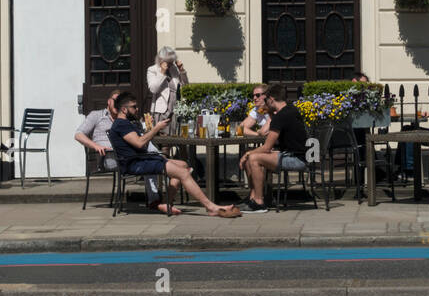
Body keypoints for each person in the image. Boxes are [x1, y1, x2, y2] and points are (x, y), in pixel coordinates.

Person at [108, 92, 239, 217]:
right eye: (134, 107)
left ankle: (167, 203)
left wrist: (150, 132)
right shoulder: (121, 124)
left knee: (183, 165)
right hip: (135, 164)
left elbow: (141, 144)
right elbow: (139, 143)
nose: (137, 109)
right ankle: (211, 207)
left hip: (142, 159)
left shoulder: (127, 124)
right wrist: (156, 129)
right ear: (124, 110)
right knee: (183, 173)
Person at [238, 84, 309, 214]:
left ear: (271, 100)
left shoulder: (281, 117)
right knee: (251, 157)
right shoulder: (290, 109)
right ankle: (253, 198)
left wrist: (247, 153)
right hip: (294, 154)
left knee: (253, 158)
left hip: (297, 159)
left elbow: (266, 147)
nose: (264, 103)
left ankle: (259, 203)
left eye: (266, 100)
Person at [146, 47, 188, 123]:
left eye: (172, 61)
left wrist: (181, 70)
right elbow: (153, 89)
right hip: (162, 111)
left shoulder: (174, 69)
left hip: (175, 110)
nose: (171, 64)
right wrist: (162, 72)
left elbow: (185, 86)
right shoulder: (152, 70)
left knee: (174, 134)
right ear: (161, 60)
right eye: (169, 61)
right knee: (162, 134)